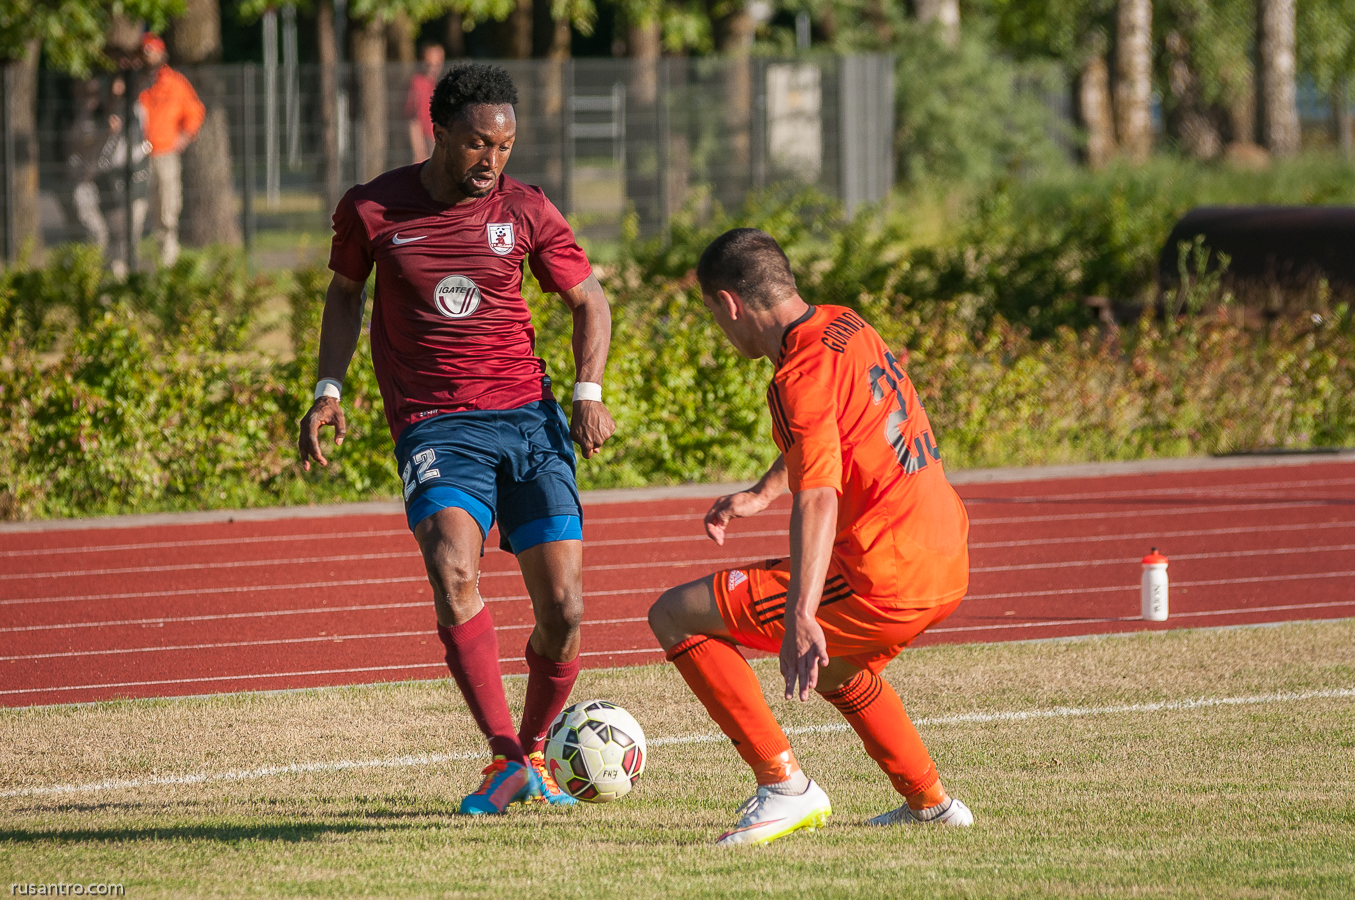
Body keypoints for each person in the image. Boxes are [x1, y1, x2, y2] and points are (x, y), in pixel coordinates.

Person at [299, 64, 616, 815]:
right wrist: (327, 390)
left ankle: (532, 753)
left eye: (503, 146)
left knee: (565, 609)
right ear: (437, 133)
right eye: (477, 144)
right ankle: (504, 757)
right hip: (435, 422)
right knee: (451, 568)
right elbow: (345, 296)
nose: (491, 161)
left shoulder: (526, 208)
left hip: (530, 420)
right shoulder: (372, 208)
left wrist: (587, 393)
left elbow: (588, 300)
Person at [647, 228, 973, 846]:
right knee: (836, 665)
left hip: (888, 572)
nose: (720, 328)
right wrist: (762, 492)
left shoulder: (797, 375)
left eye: (713, 315)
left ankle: (785, 788)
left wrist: (802, 613)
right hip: (945, 553)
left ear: (729, 304)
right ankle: (931, 803)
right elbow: (830, 435)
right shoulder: (846, 325)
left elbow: (820, 493)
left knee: (677, 615)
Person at [137, 33, 204, 267]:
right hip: (136, 158)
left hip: (165, 155)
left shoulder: (175, 83)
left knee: (166, 211)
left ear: (161, 54)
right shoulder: (135, 84)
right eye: (144, 52)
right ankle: (129, 269)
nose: (148, 57)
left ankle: (167, 266)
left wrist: (183, 138)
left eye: (152, 52)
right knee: (135, 214)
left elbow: (195, 112)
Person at [405, 42, 445, 164]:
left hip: (434, 138)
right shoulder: (417, 83)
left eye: (437, 64)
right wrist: (419, 152)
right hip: (423, 140)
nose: (433, 68)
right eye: (429, 64)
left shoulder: (435, 84)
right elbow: (413, 121)